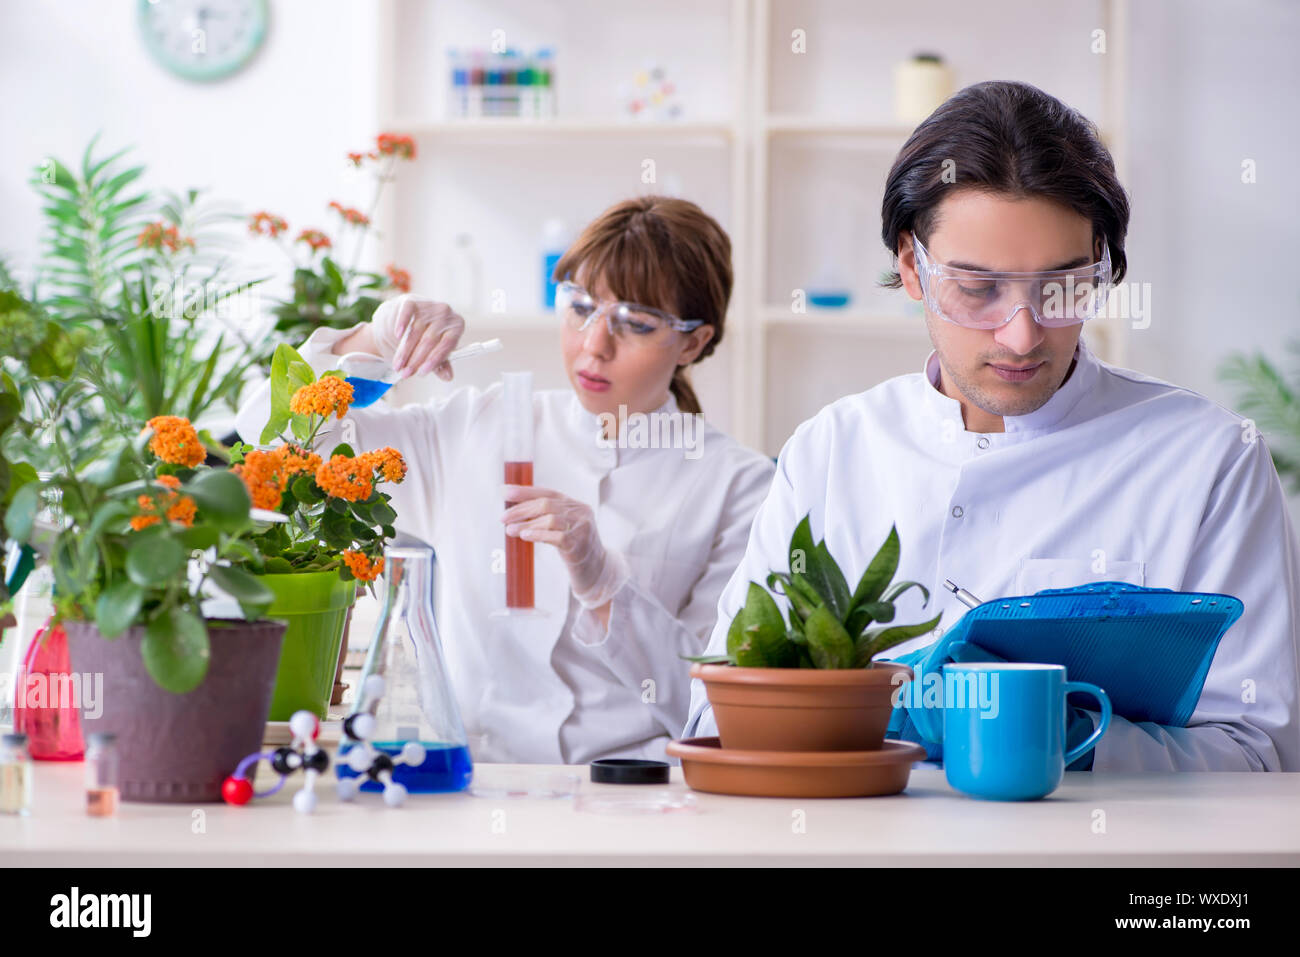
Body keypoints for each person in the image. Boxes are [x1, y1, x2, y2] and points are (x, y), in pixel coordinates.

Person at [683, 81, 1300, 771]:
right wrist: (868, 721)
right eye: (977, 289)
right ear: (912, 267)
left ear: (1100, 261)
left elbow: (1261, 753)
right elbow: (719, 710)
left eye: (1062, 286)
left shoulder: (1208, 460)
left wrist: (1061, 735)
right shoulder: (834, 449)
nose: (1021, 334)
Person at [237, 196, 775, 764]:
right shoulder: (474, 427)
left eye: (635, 324)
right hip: (474, 787)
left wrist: (605, 587)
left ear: (692, 342)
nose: (595, 344)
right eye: (581, 307)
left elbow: (716, 702)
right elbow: (265, 449)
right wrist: (369, 342)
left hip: (639, 797)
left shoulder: (740, 486)